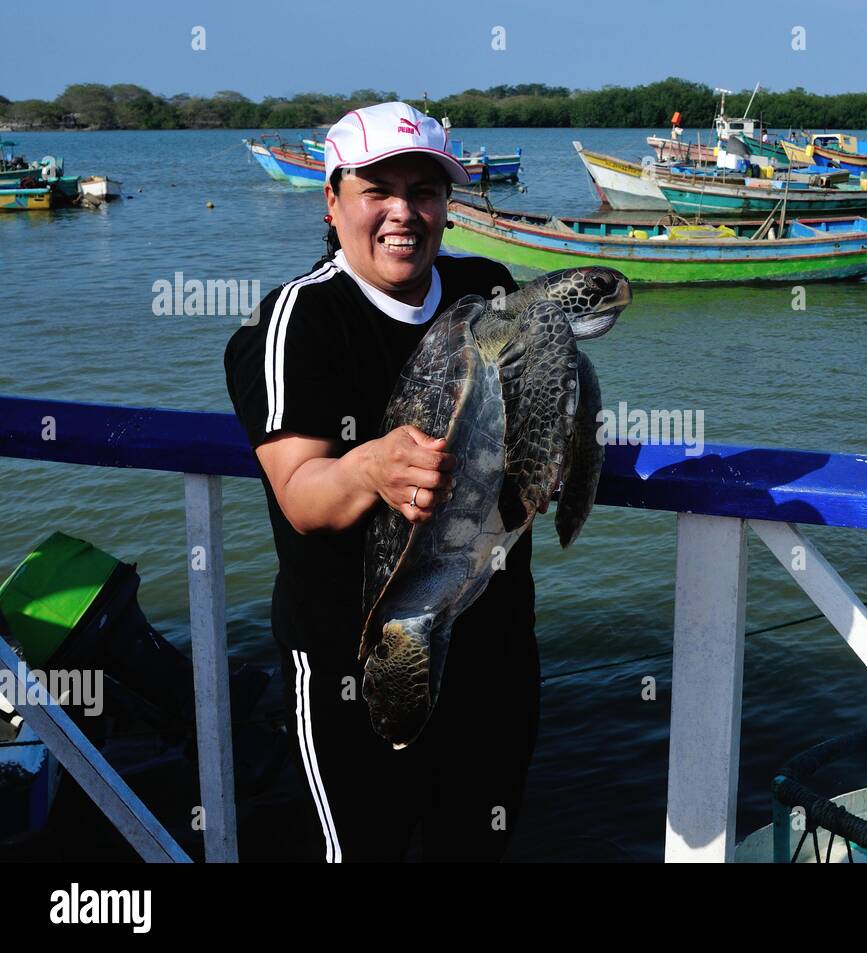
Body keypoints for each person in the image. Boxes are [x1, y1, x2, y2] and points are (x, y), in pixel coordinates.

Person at [224, 102, 539, 862]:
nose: (404, 212)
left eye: (425, 191)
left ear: (447, 206)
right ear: (332, 202)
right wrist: (369, 464)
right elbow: (301, 495)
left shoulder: (486, 290)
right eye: (378, 191)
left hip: (491, 652)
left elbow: (534, 407)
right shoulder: (297, 321)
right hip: (355, 664)